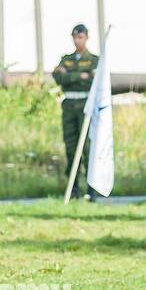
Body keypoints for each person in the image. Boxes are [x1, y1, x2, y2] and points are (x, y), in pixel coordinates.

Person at [52, 23, 99, 200]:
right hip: (69, 105)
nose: (77, 40)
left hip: (85, 104)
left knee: (87, 146)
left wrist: (70, 75)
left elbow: (93, 80)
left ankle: (91, 189)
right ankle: (74, 188)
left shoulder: (94, 60)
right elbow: (58, 76)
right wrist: (81, 75)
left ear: (86, 37)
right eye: (74, 37)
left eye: (80, 37)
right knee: (71, 147)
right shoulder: (67, 59)